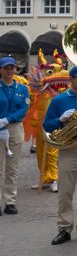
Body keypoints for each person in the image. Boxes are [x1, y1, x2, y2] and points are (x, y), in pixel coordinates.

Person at [43, 66, 77, 245]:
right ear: (71, 79)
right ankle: (64, 228)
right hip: (68, 150)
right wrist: (60, 120)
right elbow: (47, 126)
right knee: (65, 191)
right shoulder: (59, 100)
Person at [0, 56, 31, 214]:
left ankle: (10, 202)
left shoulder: (22, 89)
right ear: (1, 70)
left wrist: (8, 119)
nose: (9, 71)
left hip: (14, 128)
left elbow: (24, 109)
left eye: (12, 68)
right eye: (6, 68)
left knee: (12, 168)